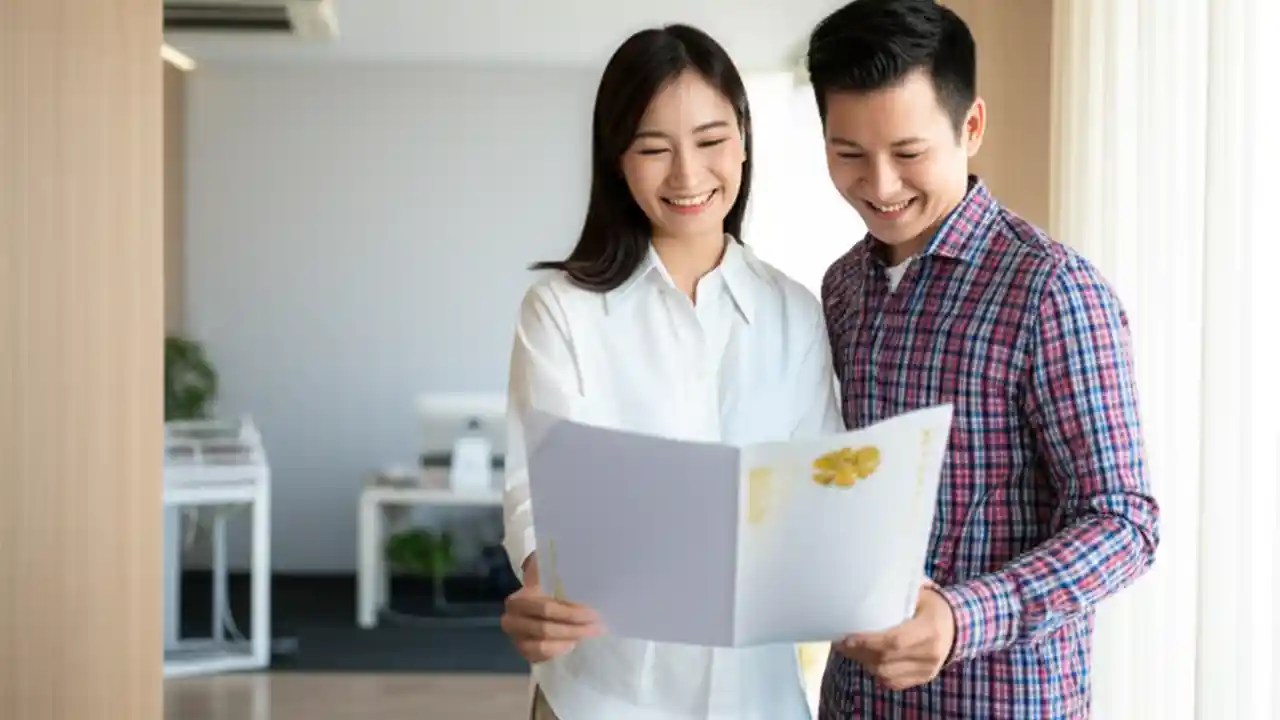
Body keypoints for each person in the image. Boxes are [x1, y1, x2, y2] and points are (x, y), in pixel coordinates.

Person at [803, 1, 1161, 718]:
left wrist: (961, 618)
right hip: (856, 701)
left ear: (971, 128)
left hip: (1001, 701)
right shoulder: (842, 286)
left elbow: (1124, 522)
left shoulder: (1051, 289)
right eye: (848, 154)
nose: (879, 184)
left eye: (908, 153)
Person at [499, 23, 842, 720]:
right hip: (603, 695)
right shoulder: (562, 311)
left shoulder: (795, 315)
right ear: (617, 160)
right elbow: (541, 492)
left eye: (711, 141)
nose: (687, 176)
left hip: (759, 697)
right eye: (654, 148)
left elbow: (822, 498)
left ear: (745, 138)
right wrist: (543, 589)